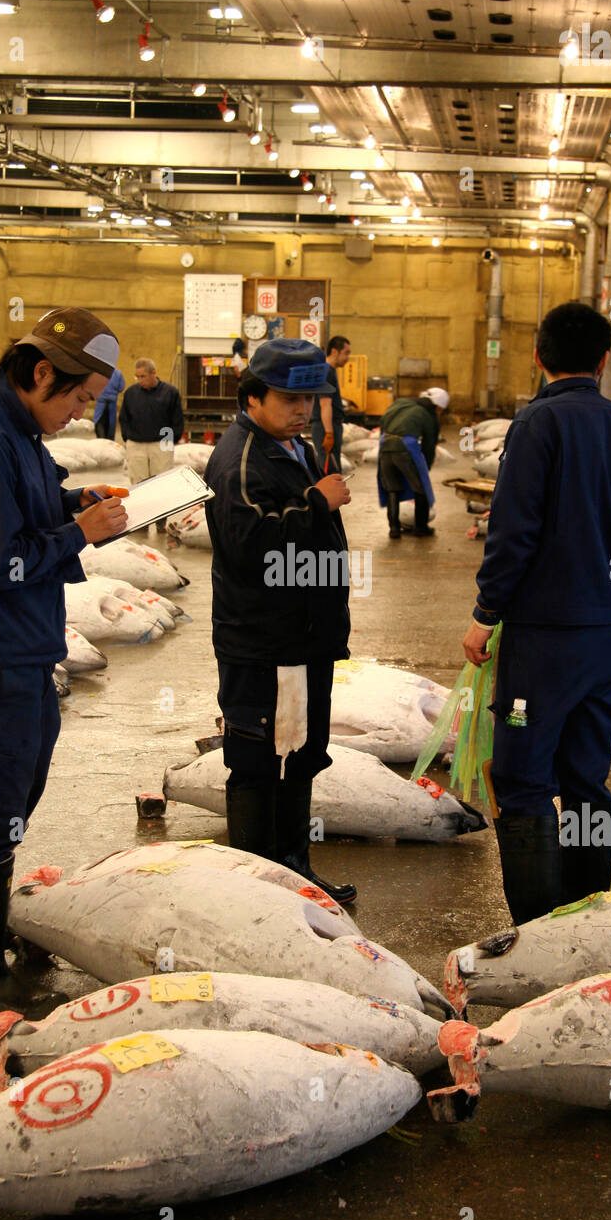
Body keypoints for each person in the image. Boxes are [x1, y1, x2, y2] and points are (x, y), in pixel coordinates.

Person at [0, 308, 128, 1003]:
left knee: (4, 800)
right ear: (42, 373)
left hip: (19, 651)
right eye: (79, 397)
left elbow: (24, 506)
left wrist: (75, 502)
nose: (80, 413)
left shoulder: (16, 430)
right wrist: (78, 533)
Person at [462, 302, 611, 926]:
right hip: (602, 637)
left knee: (522, 781)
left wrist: (486, 612)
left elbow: (513, 533)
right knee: (586, 782)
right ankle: (585, 920)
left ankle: (537, 936)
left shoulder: (536, 424)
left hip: (540, 644)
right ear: (605, 361)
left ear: (537, 356)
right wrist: (609, 603)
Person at [204, 338, 357, 905]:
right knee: (258, 760)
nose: (302, 410)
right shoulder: (240, 458)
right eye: (290, 399)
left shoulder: (294, 446)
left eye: (309, 400)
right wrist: (317, 503)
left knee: (301, 754)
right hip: (264, 643)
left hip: (304, 638)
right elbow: (250, 547)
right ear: (252, 397)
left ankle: (295, 872)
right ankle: (255, 891)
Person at [378, 387, 448, 538]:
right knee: (421, 488)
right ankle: (421, 528)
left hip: (385, 446)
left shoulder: (399, 403)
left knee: (392, 488)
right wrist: (426, 467)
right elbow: (429, 444)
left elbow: (383, 423)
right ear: (437, 406)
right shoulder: (428, 415)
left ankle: (394, 528)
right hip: (405, 449)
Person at [118, 357, 184, 485]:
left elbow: (177, 420)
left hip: (162, 443)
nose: (140, 380)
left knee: (162, 482)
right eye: (137, 377)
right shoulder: (130, 393)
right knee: (138, 484)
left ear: (153, 373)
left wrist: (171, 440)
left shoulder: (170, 393)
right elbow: (124, 418)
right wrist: (128, 438)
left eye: (143, 376)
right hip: (136, 444)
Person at [310, 335, 350, 472]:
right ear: (334, 351)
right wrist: (329, 433)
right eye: (346, 353)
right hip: (325, 426)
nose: (348, 358)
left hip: (328, 425)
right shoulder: (326, 371)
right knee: (329, 470)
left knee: (333, 467)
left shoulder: (329, 371)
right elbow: (325, 404)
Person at [93, 365, 126, 438]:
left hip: (101, 401)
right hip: (112, 402)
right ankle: (109, 440)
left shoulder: (100, 371)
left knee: (99, 421)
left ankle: (100, 439)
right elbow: (121, 387)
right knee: (111, 423)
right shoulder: (118, 373)